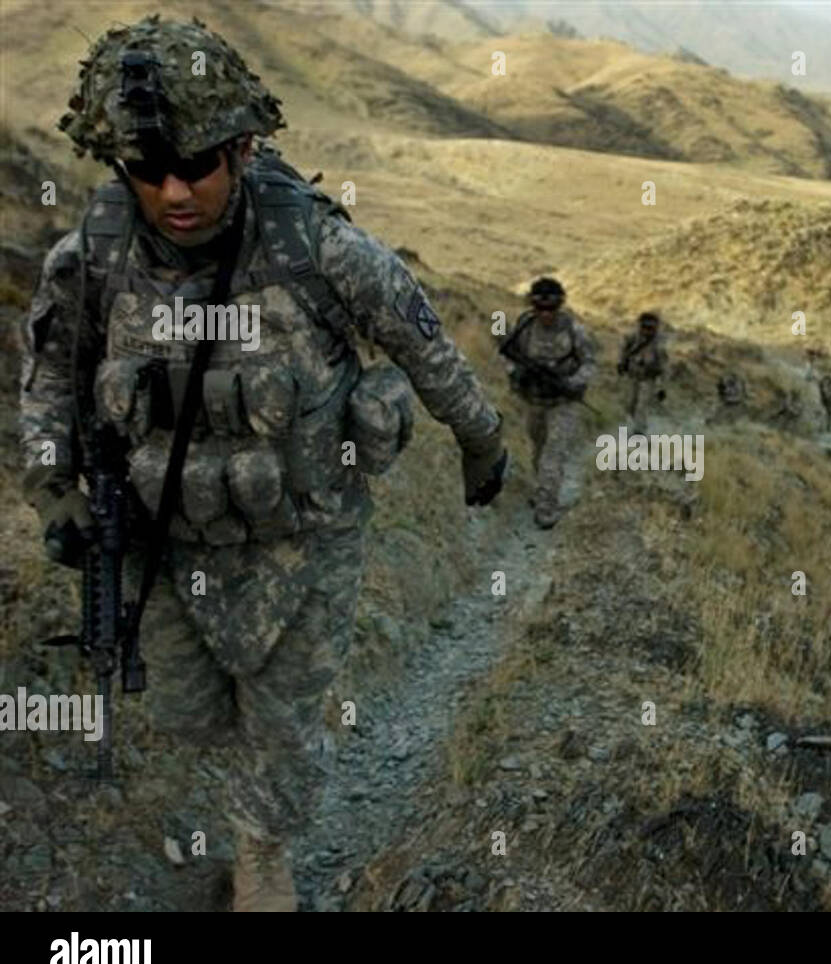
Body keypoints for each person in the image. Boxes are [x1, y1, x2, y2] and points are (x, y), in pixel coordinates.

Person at [19, 15, 507, 911]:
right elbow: (51, 376)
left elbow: (428, 348)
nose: (174, 191)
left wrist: (483, 443)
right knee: (191, 714)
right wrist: (51, 485)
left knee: (281, 722)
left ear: (242, 149)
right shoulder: (91, 261)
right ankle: (237, 826)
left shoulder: (317, 250)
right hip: (166, 536)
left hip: (305, 532)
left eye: (195, 165)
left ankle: (262, 863)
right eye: (147, 171)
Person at [498, 276, 596, 529]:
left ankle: (546, 508)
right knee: (539, 450)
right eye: (539, 309)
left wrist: (573, 382)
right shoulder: (524, 326)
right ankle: (541, 491)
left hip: (563, 401)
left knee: (554, 453)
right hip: (534, 400)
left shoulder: (574, 331)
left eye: (550, 309)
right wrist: (516, 373)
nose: (545, 315)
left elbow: (589, 363)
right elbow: (507, 354)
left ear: (559, 306)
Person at [617, 311, 667, 434]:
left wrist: (661, 388)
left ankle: (639, 432)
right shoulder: (632, 338)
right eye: (644, 327)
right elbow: (623, 352)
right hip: (632, 376)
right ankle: (631, 428)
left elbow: (663, 367)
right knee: (630, 404)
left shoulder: (658, 345)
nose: (647, 331)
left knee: (642, 406)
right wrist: (620, 364)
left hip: (648, 379)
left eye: (650, 328)